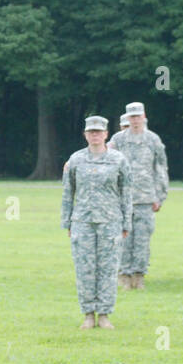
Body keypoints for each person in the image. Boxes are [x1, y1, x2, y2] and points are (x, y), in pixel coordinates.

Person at [61, 115, 132, 330]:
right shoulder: (75, 160)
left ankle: (104, 314)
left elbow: (126, 193)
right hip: (82, 222)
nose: (95, 135)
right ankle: (88, 314)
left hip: (110, 222)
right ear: (85, 135)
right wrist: (68, 222)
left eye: (99, 132)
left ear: (106, 134)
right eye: (91, 132)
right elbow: (67, 192)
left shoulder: (119, 160)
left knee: (108, 270)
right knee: (85, 270)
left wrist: (126, 223)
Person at [110, 101, 169, 291]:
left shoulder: (153, 140)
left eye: (138, 116)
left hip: (145, 200)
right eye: (132, 117)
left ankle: (139, 276)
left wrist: (160, 196)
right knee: (123, 240)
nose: (135, 120)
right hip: (122, 200)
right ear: (127, 118)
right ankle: (124, 275)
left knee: (143, 241)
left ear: (143, 117)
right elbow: (109, 167)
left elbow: (161, 168)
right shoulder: (118, 140)